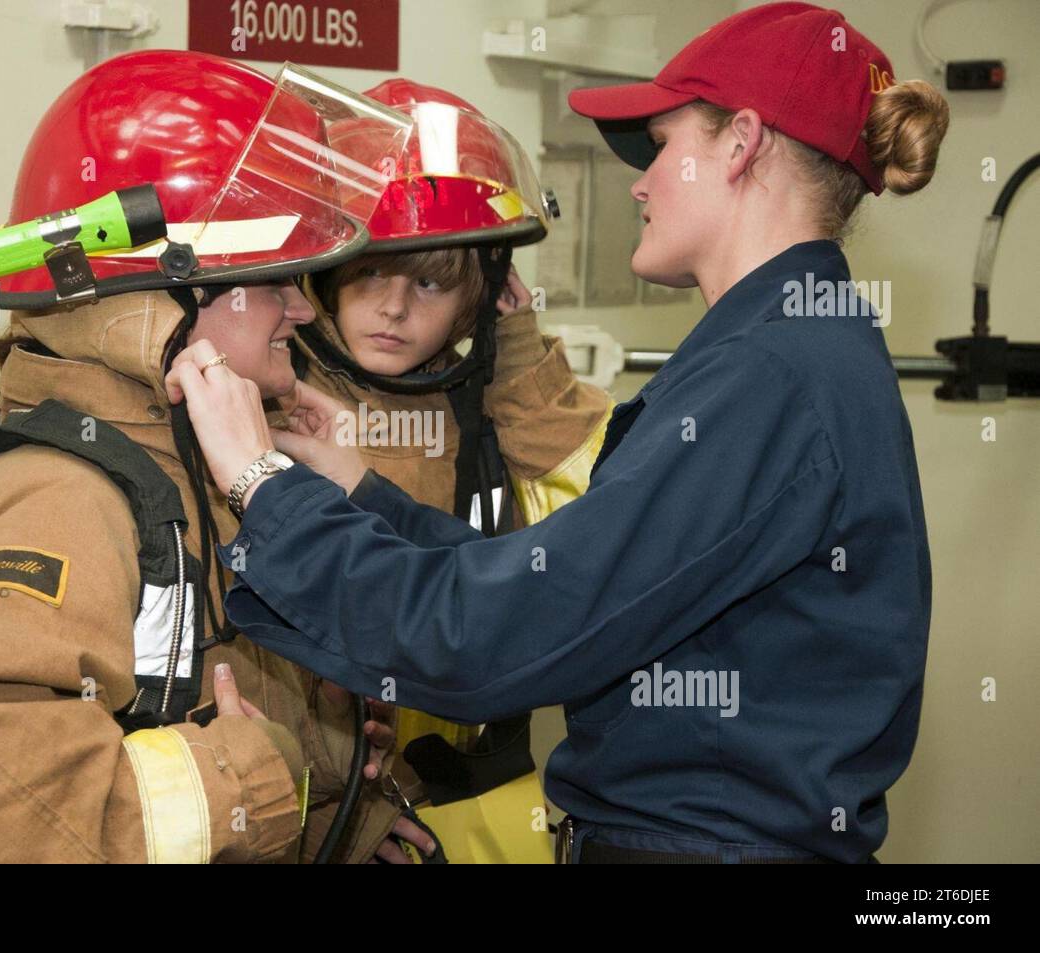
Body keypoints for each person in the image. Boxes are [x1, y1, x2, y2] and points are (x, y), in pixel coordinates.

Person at [167, 2, 949, 863]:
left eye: (661, 145)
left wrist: (261, 488)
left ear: (743, 143)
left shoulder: (768, 379)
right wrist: (361, 492)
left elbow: (502, 635)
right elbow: (561, 585)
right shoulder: (801, 346)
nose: (641, 184)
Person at [0, 50, 426, 864]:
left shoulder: (206, 469)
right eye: (274, 278)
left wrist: (349, 813)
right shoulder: (62, 492)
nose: (303, 308)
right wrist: (250, 784)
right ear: (167, 297)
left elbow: (224, 710)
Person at [288, 77, 613, 862]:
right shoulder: (276, 405)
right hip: (309, 801)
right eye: (368, 271)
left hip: (479, 791)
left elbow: (599, 516)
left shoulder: (501, 407)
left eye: (430, 279)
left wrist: (520, 359)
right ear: (323, 268)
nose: (393, 306)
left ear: (481, 297)